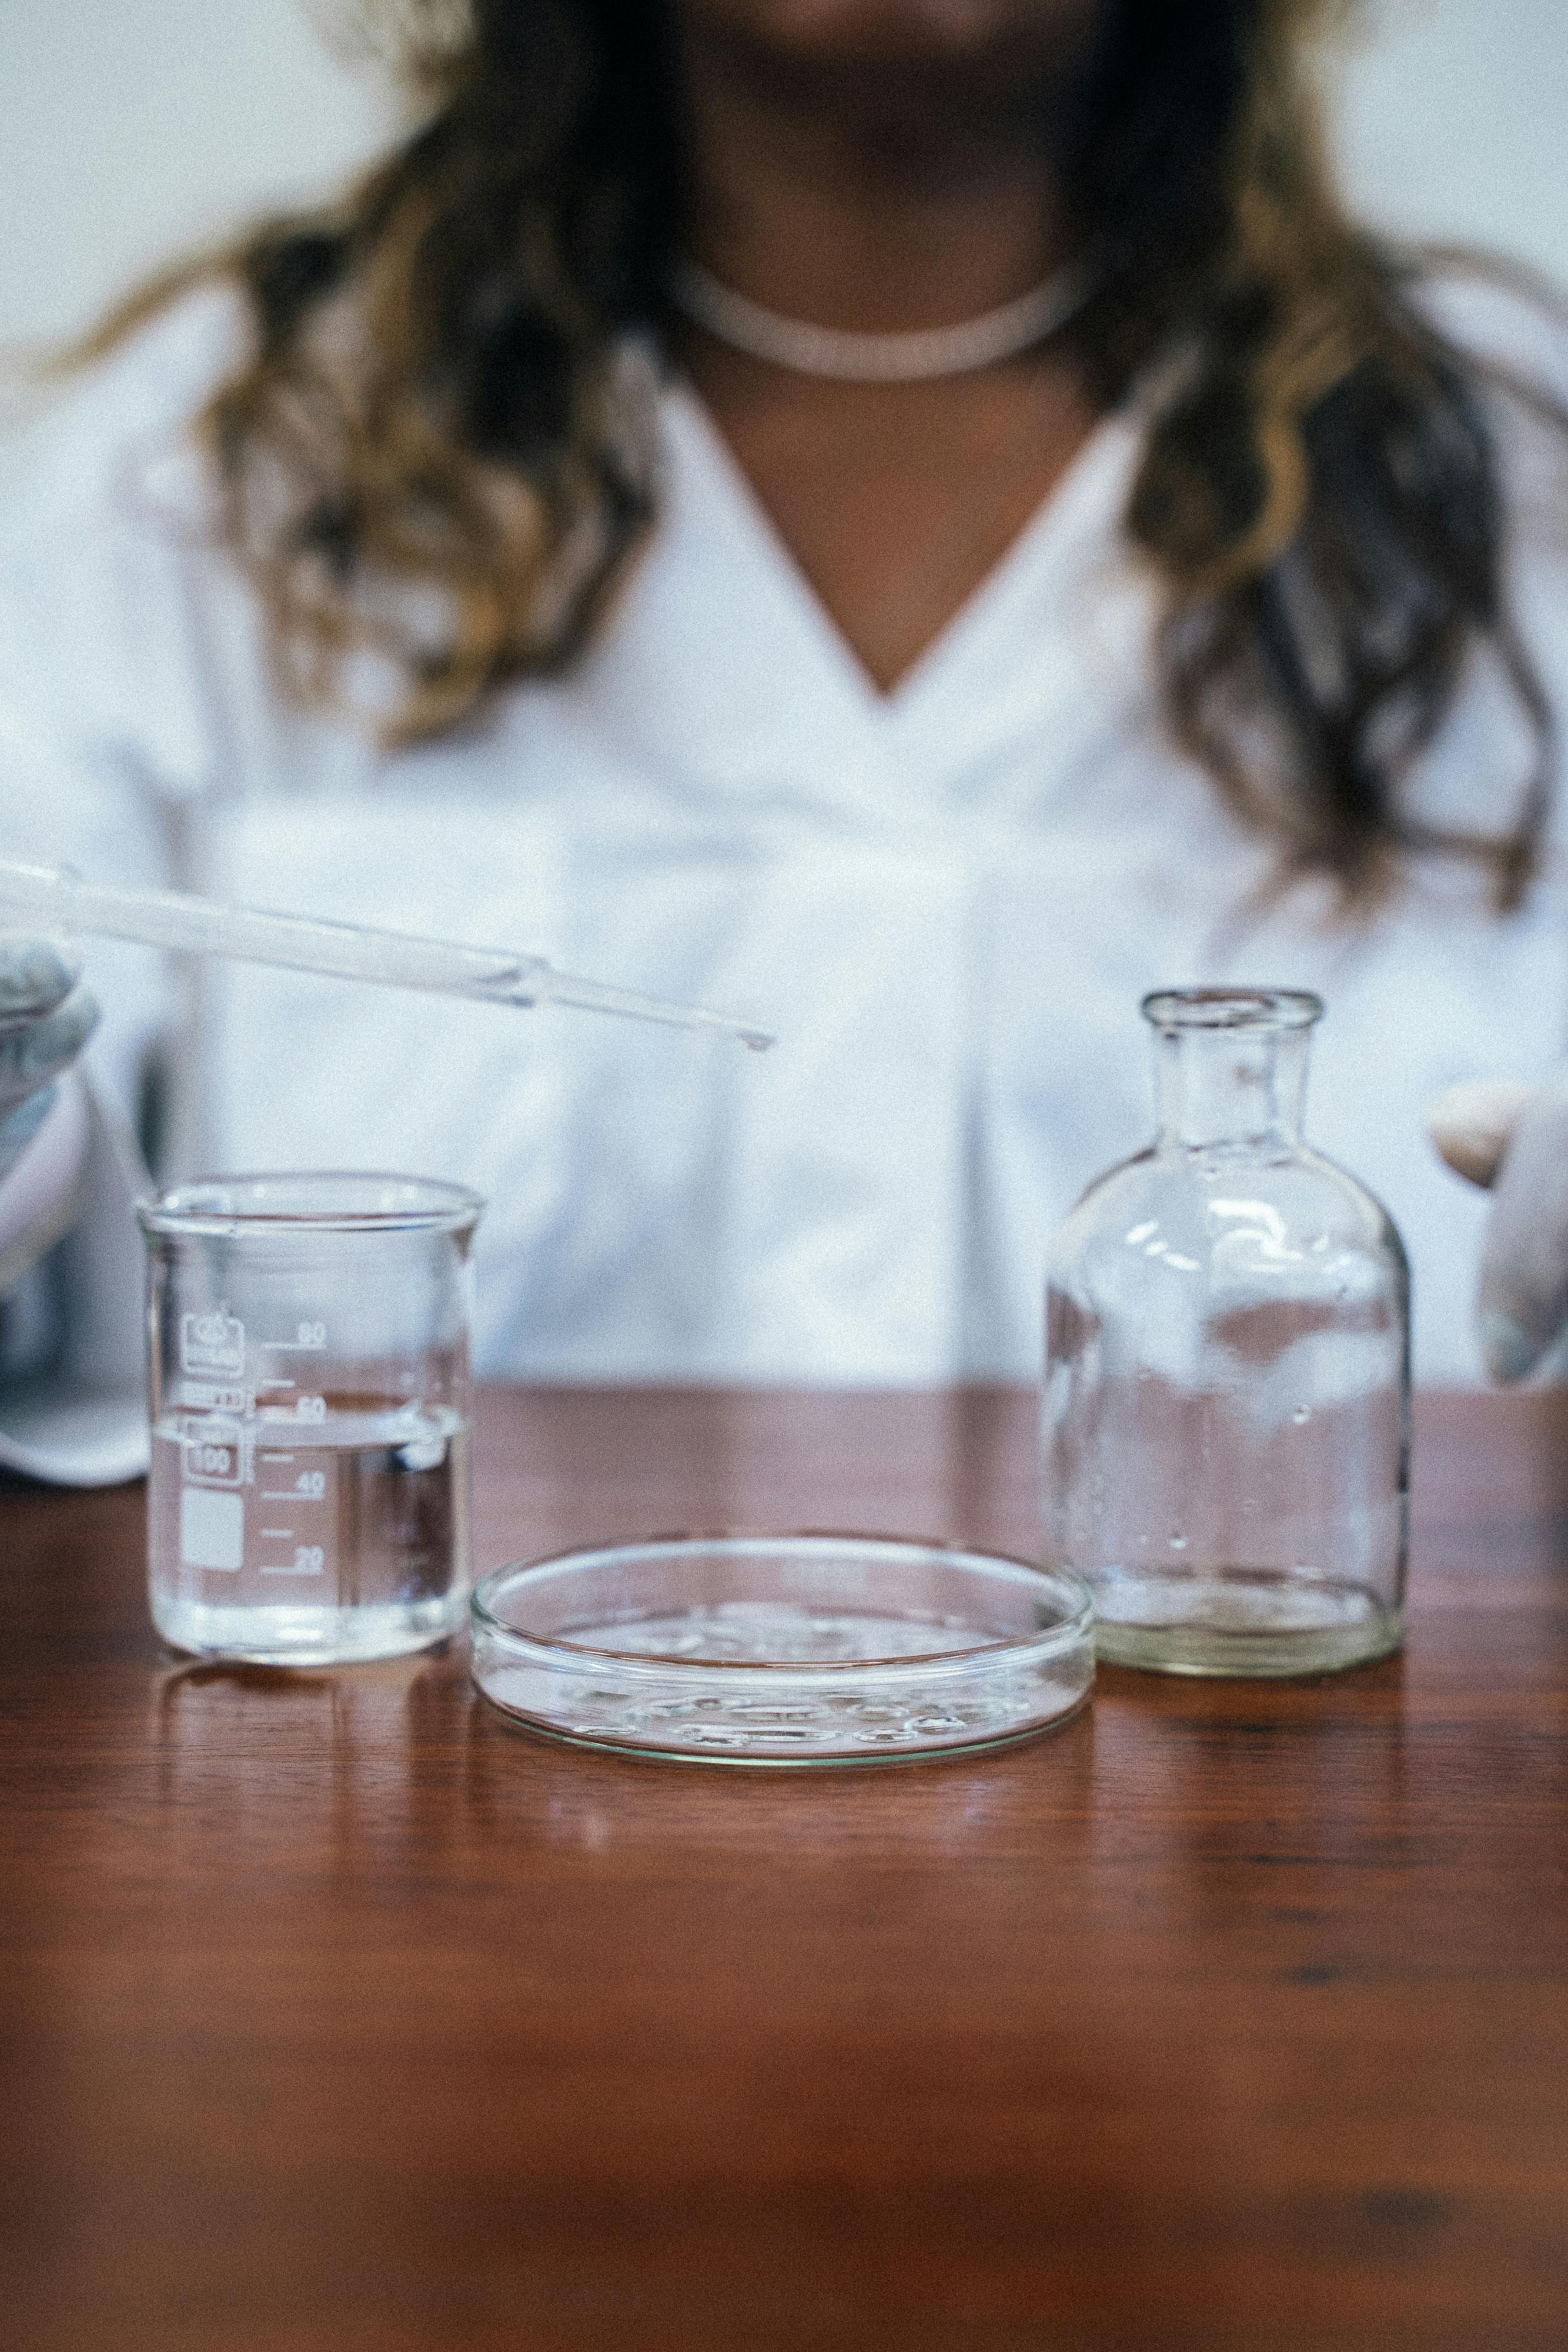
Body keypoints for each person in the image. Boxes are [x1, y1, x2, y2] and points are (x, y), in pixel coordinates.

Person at [2, 0, 1568, 1484]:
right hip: (422, 1684)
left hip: (1285, 1682)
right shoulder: (215, 467)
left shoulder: (1505, 479)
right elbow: (52, 1299)